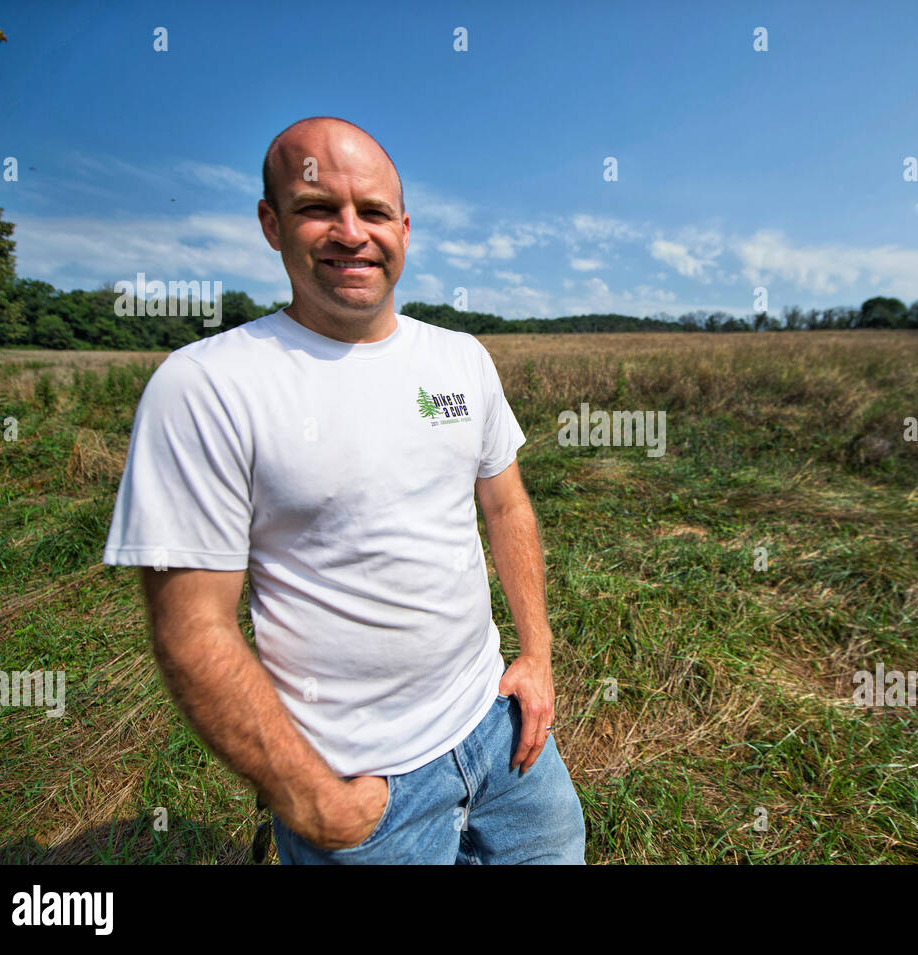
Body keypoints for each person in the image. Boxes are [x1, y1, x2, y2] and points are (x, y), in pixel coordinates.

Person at [102, 116, 586, 864]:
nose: (351, 232)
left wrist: (540, 654)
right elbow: (192, 631)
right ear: (272, 223)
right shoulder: (207, 387)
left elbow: (506, 503)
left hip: (504, 733)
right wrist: (318, 804)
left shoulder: (461, 359)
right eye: (319, 208)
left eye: (375, 211)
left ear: (405, 227)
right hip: (366, 787)